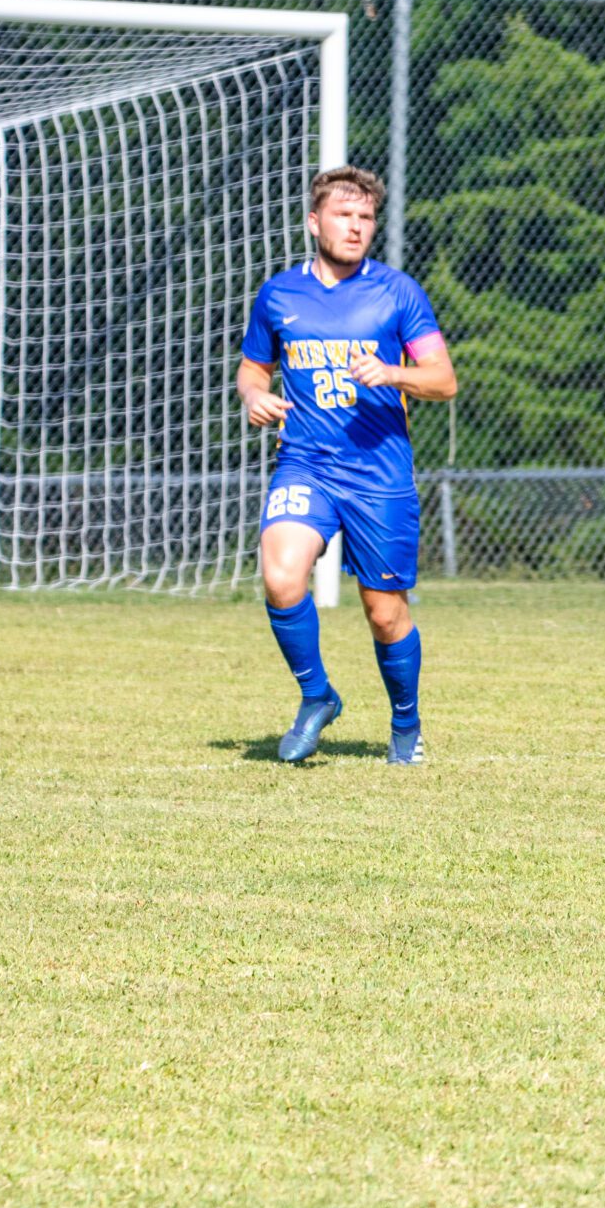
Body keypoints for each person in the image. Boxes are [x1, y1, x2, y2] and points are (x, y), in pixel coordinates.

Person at [236, 166, 456, 764]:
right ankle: (317, 696)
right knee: (281, 575)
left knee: (384, 614)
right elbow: (254, 368)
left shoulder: (397, 292)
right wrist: (254, 396)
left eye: (365, 218)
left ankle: (405, 724)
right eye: (343, 215)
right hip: (305, 463)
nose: (356, 227)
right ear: (315, 222)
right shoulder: (279, 295)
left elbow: (443, 379)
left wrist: (394, 373)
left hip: (379, 473)